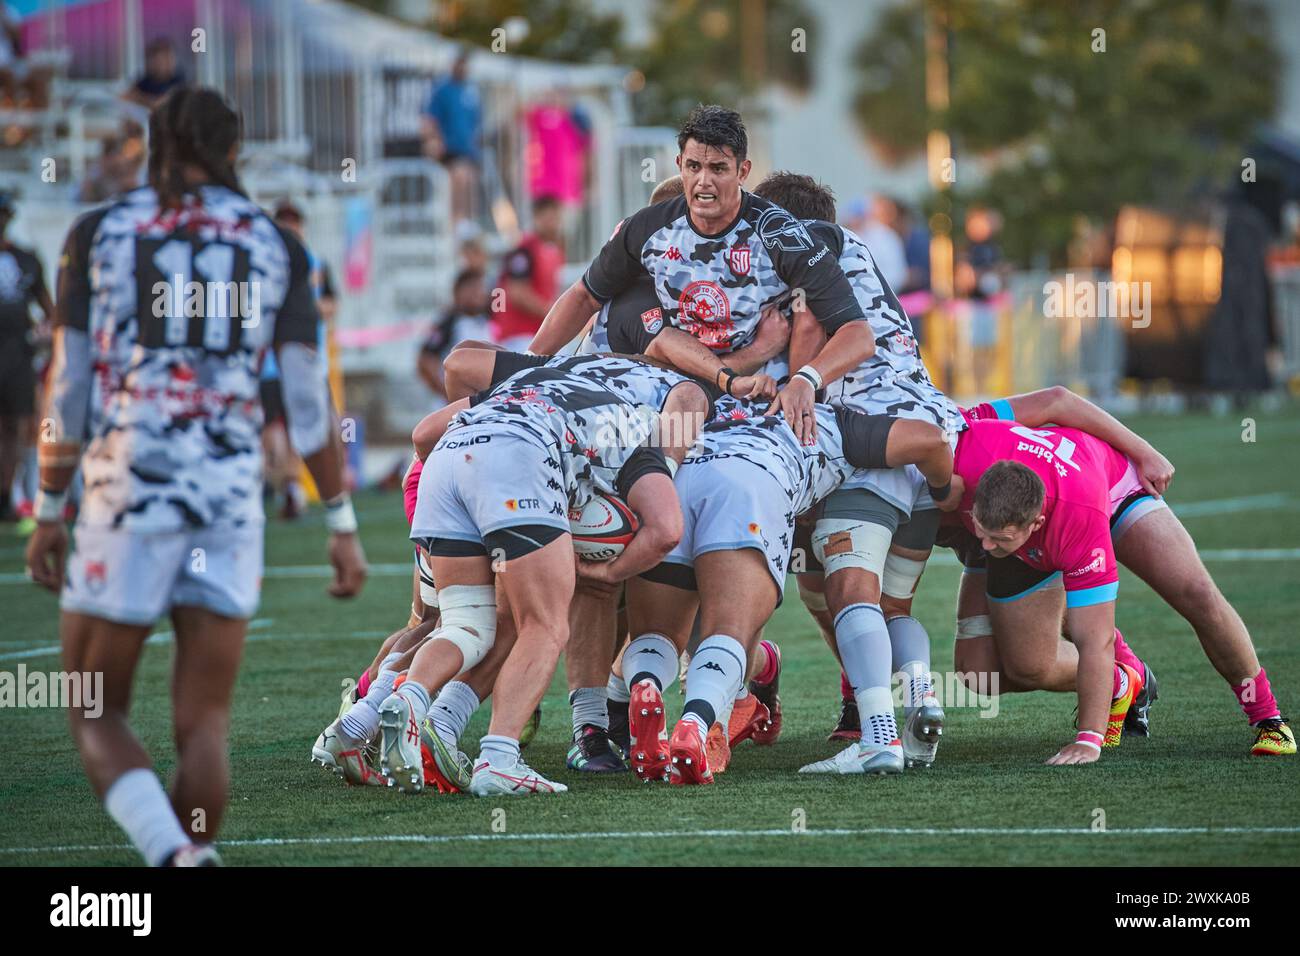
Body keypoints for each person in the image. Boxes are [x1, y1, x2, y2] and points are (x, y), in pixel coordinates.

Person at [25, 87, 367, 867]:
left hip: (128, 490)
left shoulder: (99, 230)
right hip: (228, 496)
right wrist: (340, 523)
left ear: (154, 145)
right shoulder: (278, 244)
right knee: (203, 724)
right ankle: (194, 853)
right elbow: (310, 403)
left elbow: (69, 385)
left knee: (93, 707)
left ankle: (172, 855)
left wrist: (49, 504)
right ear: (234, 150)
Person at [372, 356, 704, 797]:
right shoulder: (635, 423)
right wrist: (606, 571)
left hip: (446, 464)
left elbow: (424, 433)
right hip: (517, 464)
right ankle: (500, 757)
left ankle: (404, 701)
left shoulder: (534, 375)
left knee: (464, 626)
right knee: (543, 624)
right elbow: (666, 530)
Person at [746, 171, 963, 773]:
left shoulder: (806, 245)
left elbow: (813, 326)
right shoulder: (856, 248)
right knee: (893, 608)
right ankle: (919, 692)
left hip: (870, 439)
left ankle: (879, 739)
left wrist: (793, 384)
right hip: (927, 435)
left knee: (851, 594)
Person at [946, 394, 1293, 761]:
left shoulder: (1073, 520)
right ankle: (1124, 679)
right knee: (999, 670)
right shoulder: (962, 438)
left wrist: (1088, 739)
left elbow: (1058, 400)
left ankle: (1268, 717)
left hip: (1109, 488)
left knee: (1195, 592)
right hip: (1030, 518)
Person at [531, 104, 874, 446]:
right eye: (694, 166)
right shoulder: (647, 233)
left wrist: (805, 381)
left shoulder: (782, 237)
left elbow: (856, 332)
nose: (704, 181)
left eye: (718, 168)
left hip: (717, 396)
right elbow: (584, 296)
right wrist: (530, 364)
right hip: (632, 382)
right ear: (680, 166)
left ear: (743, 172)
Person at [0, 192, 53, 523]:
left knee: (15, 426)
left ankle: (5, 496)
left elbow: (50, 308)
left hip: (16, 354)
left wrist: (43, 336)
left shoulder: (25, 258)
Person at [490, 195, 565, 350]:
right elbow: (517, 292)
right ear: (536, 218)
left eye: (555, 218)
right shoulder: (525, 250)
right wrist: (553, 313)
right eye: (548, 218)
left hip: (537, 332)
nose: (553, 224)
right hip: (518, 335)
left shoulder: (554, 250)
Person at [421, 51, 481, 224]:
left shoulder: (471, 91)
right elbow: (429, 120)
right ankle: (454, 222)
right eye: (459, 63)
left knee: (469, 184)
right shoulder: (442, 90)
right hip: (449, 150)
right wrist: (435, 142)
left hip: (467, 150)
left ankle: (467, 222)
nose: (462, 68)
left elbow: (476, 121)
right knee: (458, 180)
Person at [418, 268, 490, 401]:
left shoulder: (488, 320)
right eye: (471, 288)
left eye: (480, 287)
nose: (478, 293)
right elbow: (426, 361)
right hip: (455, 404)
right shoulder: (449, 322)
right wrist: (447, 393)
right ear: (458, 292)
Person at [122, 37, 187, 110]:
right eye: (159, 60)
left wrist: (140, 98)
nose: (164, 64)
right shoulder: (147, 80)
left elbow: (159, 104)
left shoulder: (179, 81)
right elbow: (124, 97)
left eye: (169, 58)